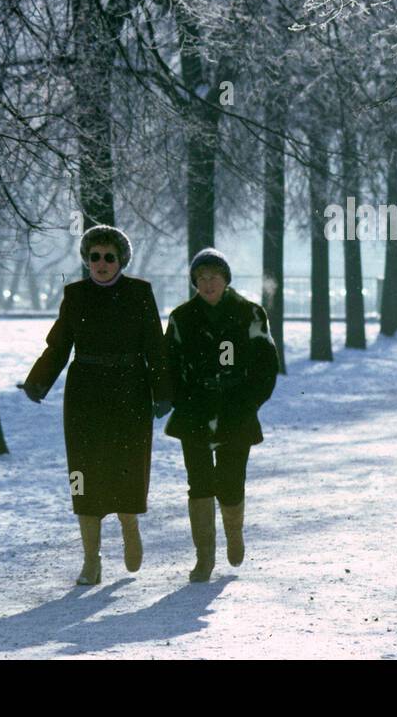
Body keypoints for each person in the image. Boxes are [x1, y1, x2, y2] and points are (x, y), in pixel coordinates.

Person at [21, 225, 173, 586]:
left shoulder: (140, 293)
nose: (101, 263)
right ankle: (91, 559)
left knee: (128, 465)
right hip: (85, 394)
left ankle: (129, 526)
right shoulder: (75, 295)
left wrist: (163, 392)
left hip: (130, 391)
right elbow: (59, 345)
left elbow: (156, 346)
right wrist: (38, 381)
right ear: (86, 260)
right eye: (95, 257)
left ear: (121, 260)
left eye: (109, 257)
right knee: (83, 474)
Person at [163, 248, 278, 582]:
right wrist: (178, 398)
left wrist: (248, 403)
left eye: (214, 277)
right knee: (198, 484)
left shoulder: (249, 314)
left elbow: (266, 367)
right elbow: (169, 363)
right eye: (201, 278)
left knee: (230, 482)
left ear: (226, 279)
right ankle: (204, 558)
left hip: (235, 412)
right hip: (194, 413)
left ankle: (234, 534)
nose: (208, 284)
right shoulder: (181, 317)